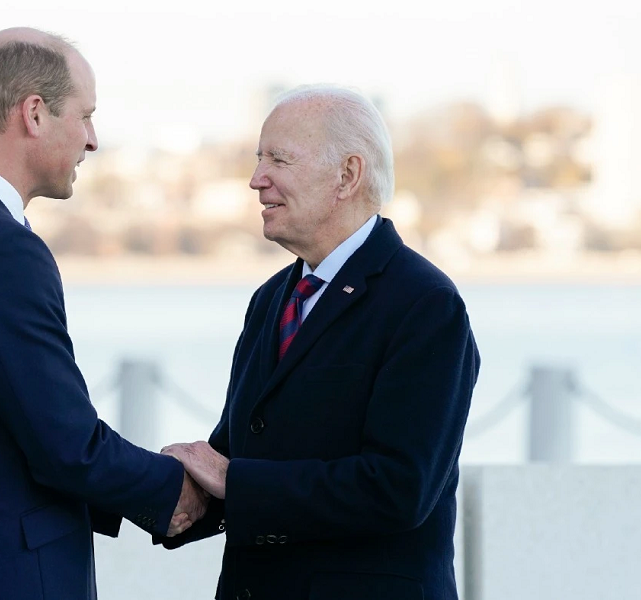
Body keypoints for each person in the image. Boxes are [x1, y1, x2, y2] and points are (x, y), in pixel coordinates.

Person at [0, 27, 206, 600]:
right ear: (34, 114)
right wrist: (182, 491)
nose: (93, 140)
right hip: (0, 577)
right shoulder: (4, 250)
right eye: (85, 115)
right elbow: (66, 444)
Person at [159, 87, 481, 600]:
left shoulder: (425, 305)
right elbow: (235, 456)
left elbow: (399, 489)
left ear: (347, 176)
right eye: (258, 158)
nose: (256, 179)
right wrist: (157, 492)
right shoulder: (271, 299)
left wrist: (233, 482)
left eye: (278, 159)